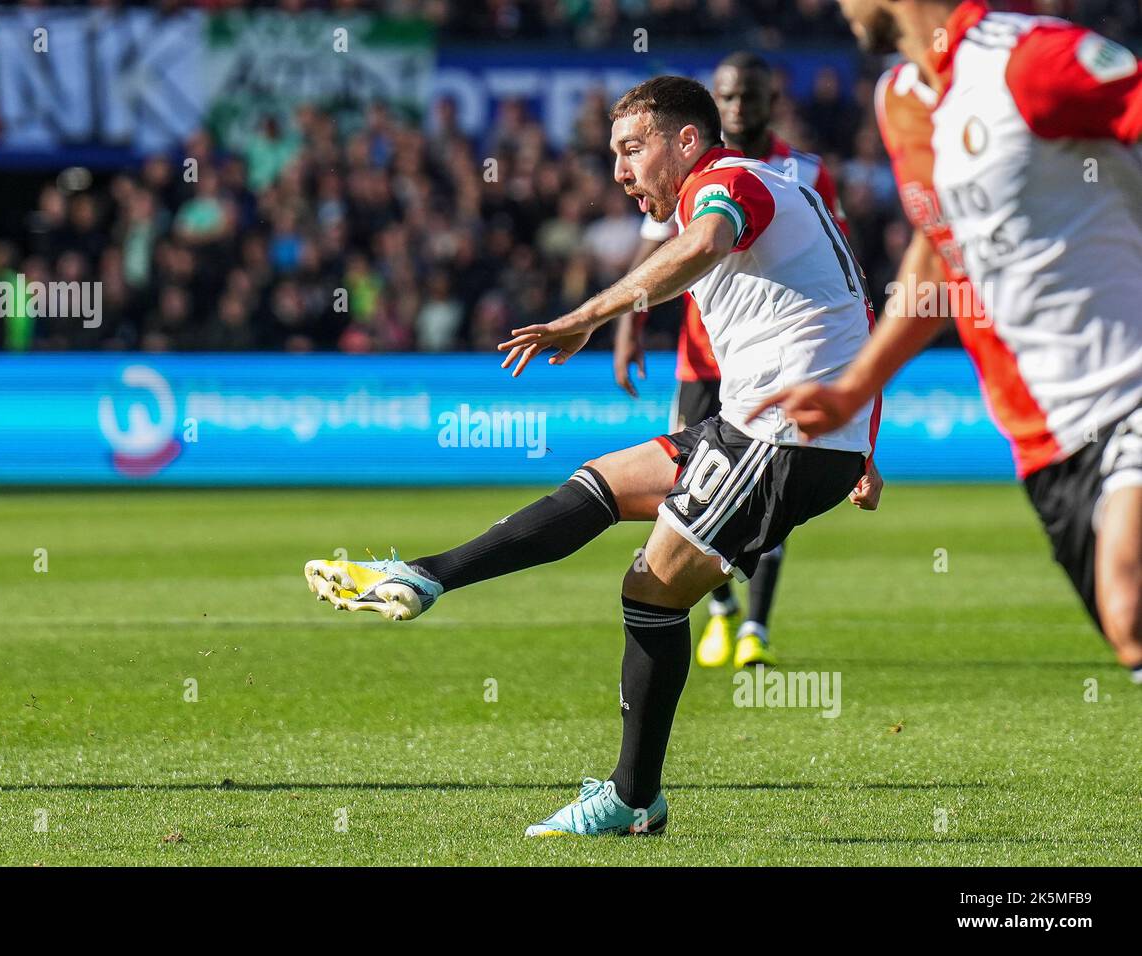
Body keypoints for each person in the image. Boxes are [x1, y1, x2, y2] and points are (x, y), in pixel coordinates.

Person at [306, 76, 882, 836]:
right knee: (603, 483)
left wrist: (589, 313)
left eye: (632, 149)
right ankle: (425, 575)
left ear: (686, 140)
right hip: (778, 427)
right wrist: (866, 442)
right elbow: (851, 301)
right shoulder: (769, 187)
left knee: (651, 591)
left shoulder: (728, 182)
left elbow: (705, 245)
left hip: (783, 438)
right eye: (613, 153)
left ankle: (633, 796)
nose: (619, 171)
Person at [760, 0, 1142, 679]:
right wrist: (855, 389)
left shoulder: (1035, 59)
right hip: (1045, 440)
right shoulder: (900, 99)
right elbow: (940, 256)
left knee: (1130, 603)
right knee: (1129, 634)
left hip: (1130, 388)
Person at [613, 51, 856, 670]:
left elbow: (837, 256)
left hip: (785, 357)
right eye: (728, 96)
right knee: (694, 490)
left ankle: (755, 625)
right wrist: (626, 328)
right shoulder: (685, 174)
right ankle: (720, 610)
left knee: (765, 492)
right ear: (711, 106)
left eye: (750, 96)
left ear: (772, 101)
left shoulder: (803, 170)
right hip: (705, 359)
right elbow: (656, 253)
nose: (739, 106)